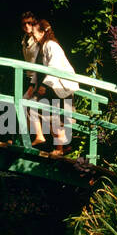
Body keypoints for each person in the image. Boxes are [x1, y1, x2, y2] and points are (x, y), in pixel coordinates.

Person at [30, 19, 79, 154]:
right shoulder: (41, 47)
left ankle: (60, 149)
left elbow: (54, 67)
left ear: (43, 32)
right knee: (41, 110)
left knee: (58, 118)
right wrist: (32, 86)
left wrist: (44, 85)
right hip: (53, 85)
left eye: (35, 32)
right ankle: (44, 139)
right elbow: (37, 69)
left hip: (61, 86)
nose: (33, 35)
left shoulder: (51, 45)